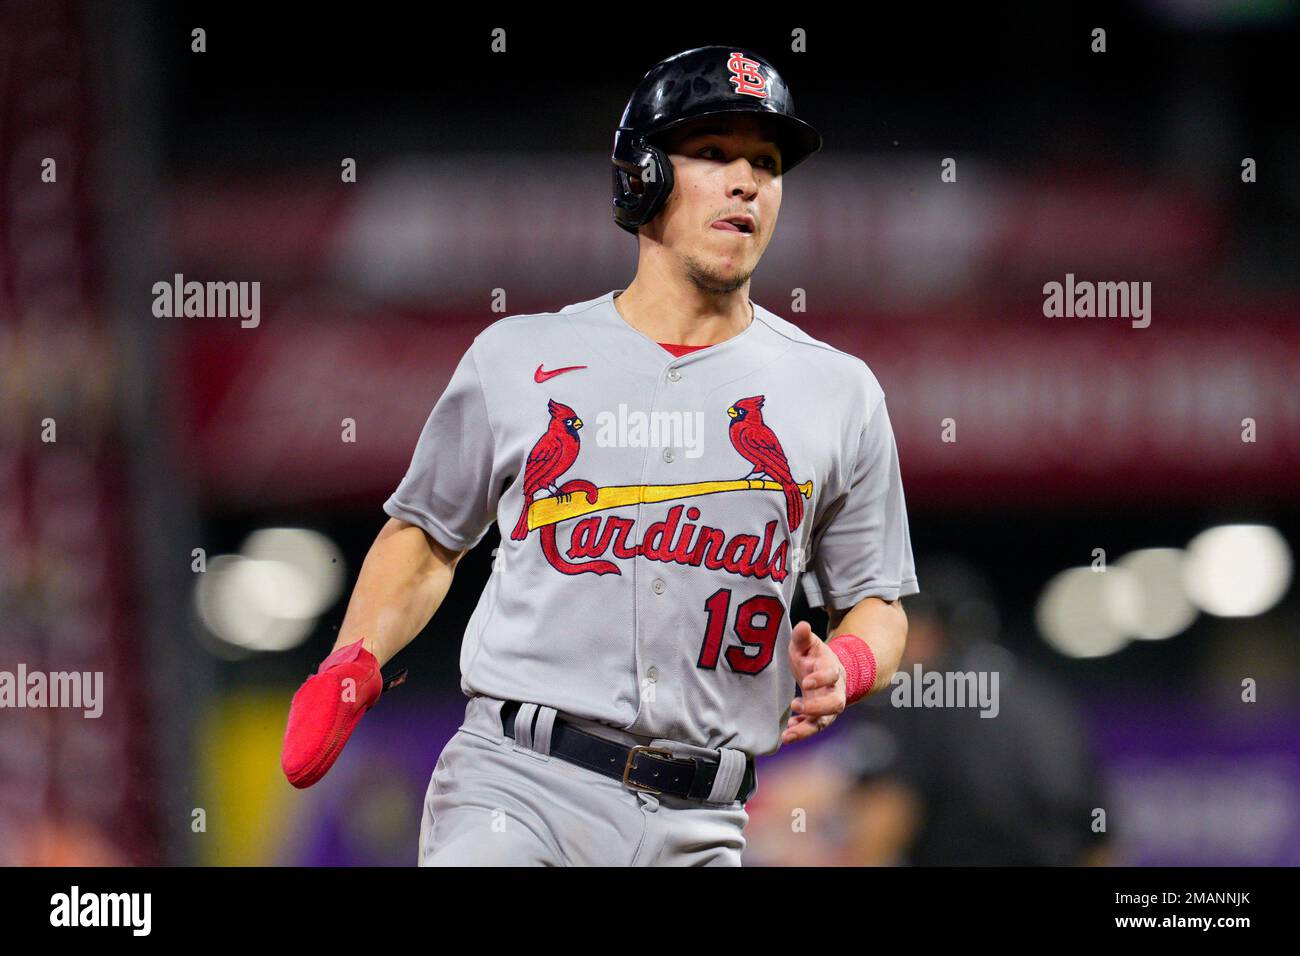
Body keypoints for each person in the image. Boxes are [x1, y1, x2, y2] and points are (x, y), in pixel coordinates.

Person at [280, 45, 918, 866]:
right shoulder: (519, 356)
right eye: (713, 153)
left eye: (766, 162)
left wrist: (852, 661)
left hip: (704, 818)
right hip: (519, 784)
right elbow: (430, 533)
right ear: (642, 176)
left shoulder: (841, 392)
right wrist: (354, 658)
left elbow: (879, 602)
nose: (746, 181)